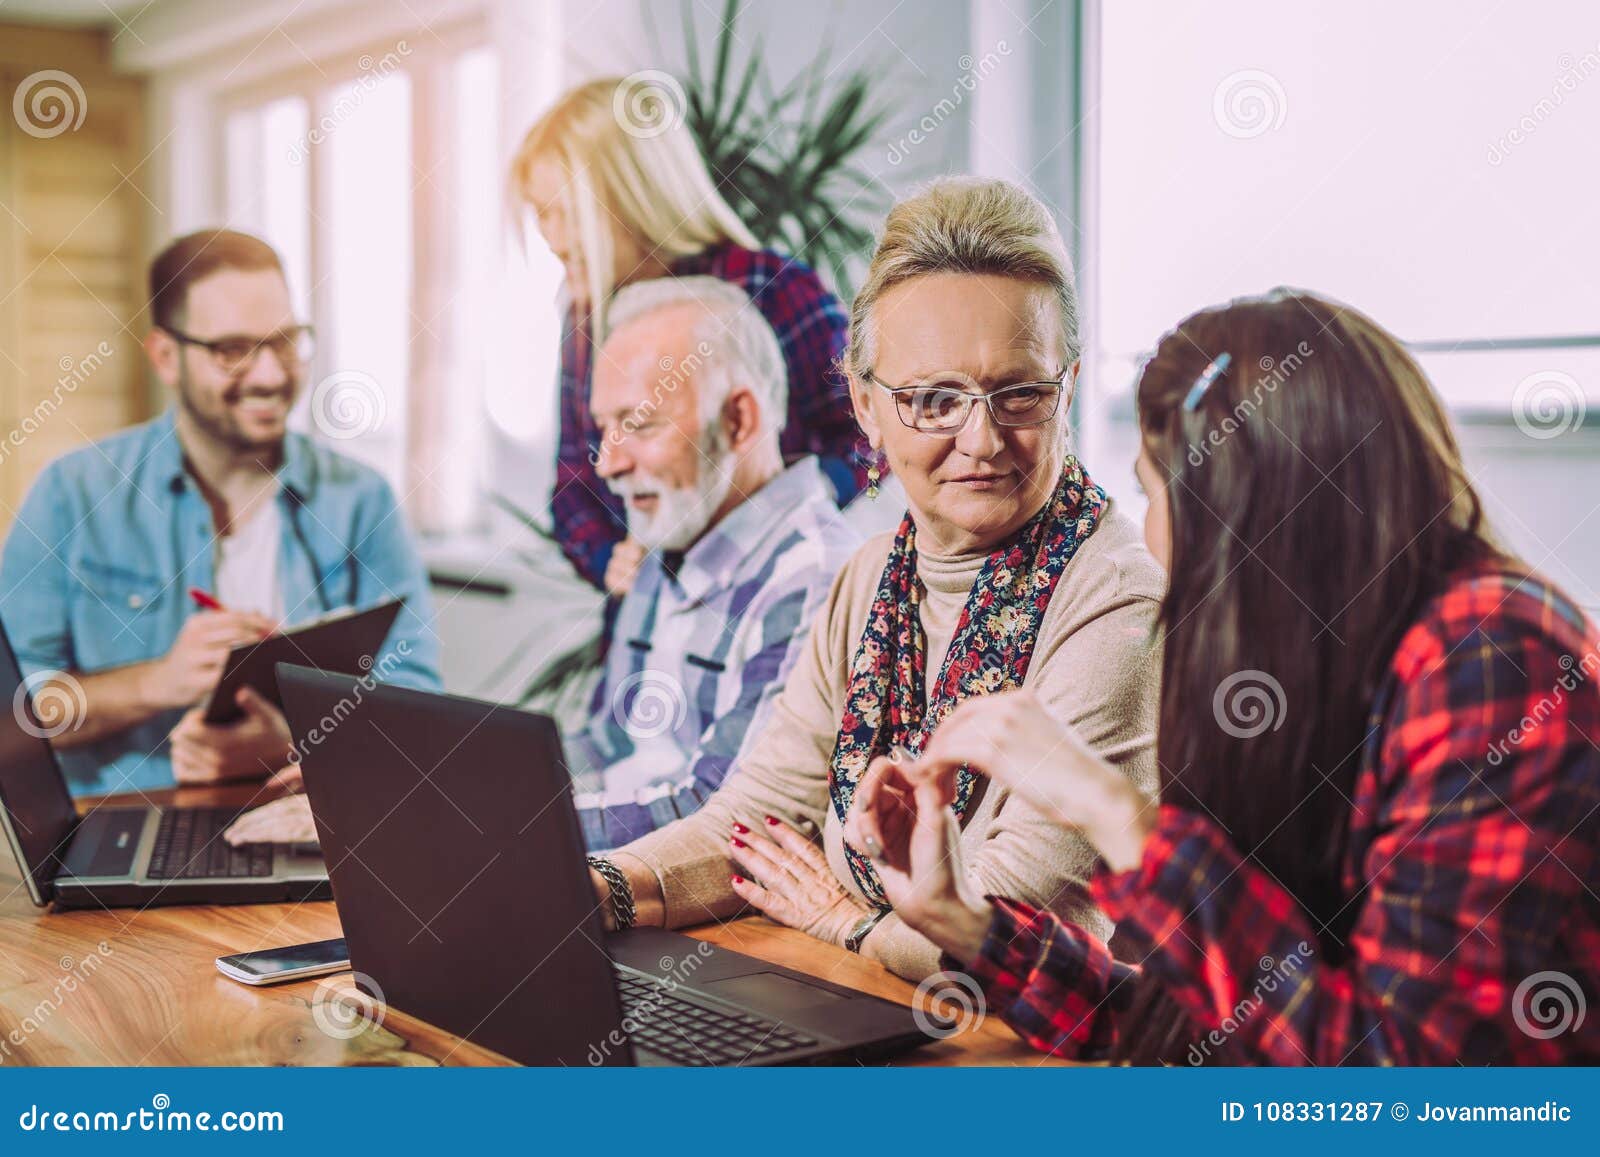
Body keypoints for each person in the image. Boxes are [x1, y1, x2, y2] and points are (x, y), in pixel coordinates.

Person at [851, 289, 1600, 1064]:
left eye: (1154, 492)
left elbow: (1412, 1086)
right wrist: (968, 922)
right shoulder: (1327, 663)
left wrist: (1119, 819)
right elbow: (1223, 1029)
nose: (1149, 531)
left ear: (1246, 506)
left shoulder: (1494, 666)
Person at [582, 177, 1165, 983]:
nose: (982, 438)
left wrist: (848, 923)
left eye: (1020, 393)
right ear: (865, 405)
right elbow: (755, 819)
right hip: (867, 1001)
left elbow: (1016, 929)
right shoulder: (869, 578)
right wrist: (602, 887)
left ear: (1065, 388)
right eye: (932, 399)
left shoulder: (1117, 599)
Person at [0, 229, 440, 797]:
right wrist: (157, 683)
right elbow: (13, 716)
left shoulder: (361, 500)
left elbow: (419, 705)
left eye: (285, 342)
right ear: (166, 356)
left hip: (311, 827)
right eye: (233, 350)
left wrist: (287, 744)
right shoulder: (73, 493)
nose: (270, 376)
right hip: (127, 822)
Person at [513, 76, 866, 599]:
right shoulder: (585, 320)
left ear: (631, 195)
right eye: (540, 213)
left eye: (562, 210)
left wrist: (779, 516)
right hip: (650, 619)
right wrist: (610, 560)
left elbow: (868, 438)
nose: (551, 238)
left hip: (772, 595)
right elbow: (573, 484)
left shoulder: (773, 290)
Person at [570, 277, 859, 849]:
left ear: (738, 422)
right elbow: (608, 743)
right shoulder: (671, 533)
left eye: (640, 424)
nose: (608, 464)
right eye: (605, 428)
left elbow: (723, 815)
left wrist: (518, 827)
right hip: (611, 872)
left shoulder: (814, 578)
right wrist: (484, 791)